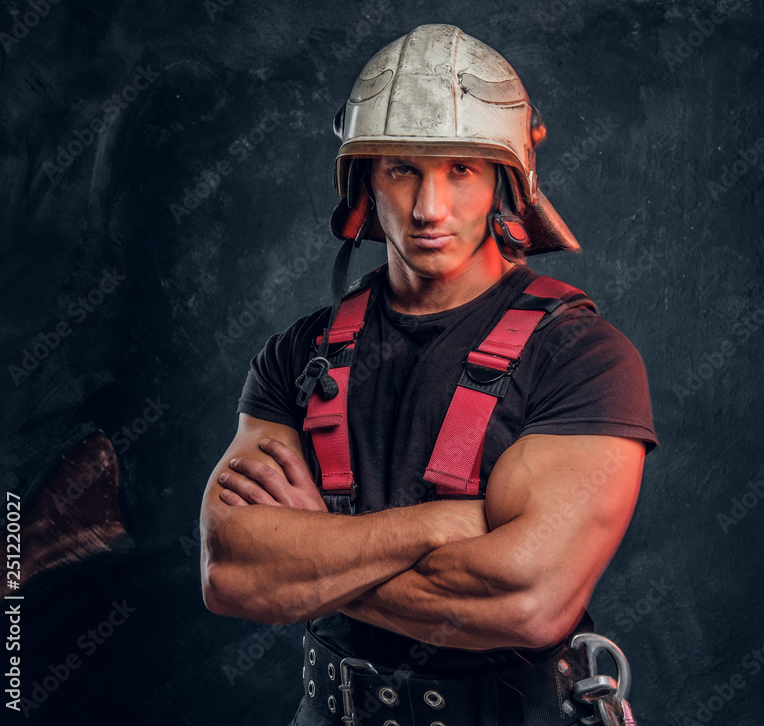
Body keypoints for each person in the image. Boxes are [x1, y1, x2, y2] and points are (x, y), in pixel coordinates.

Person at [200, 23, 658, 726]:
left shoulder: (581, 357)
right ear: (364, 181)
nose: (428, 209)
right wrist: (439, 525)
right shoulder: (298, 353)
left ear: (508, 180)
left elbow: (529, 603)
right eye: (402, 169)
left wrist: (312, 557)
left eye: (461, 170)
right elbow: (231, 572)